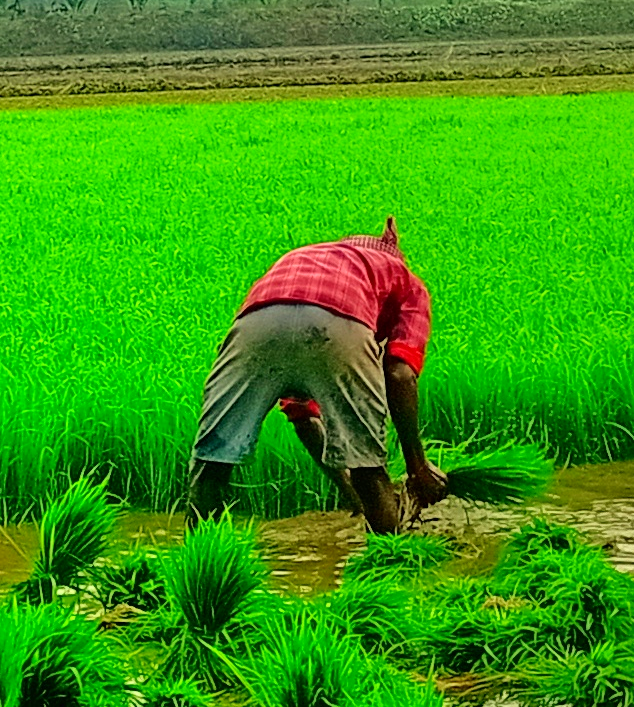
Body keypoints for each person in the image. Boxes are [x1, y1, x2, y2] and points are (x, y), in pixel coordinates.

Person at [191, 220, 450, 532]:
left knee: (211, 463)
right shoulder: (405, 280)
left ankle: (199, 566)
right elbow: (399, 374)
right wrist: (417, 467)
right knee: (368, 467)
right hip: (341, 323)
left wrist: (349, 492)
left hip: (254, 327)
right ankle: (391, 565)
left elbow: (302, 416)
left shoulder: (303, 258)